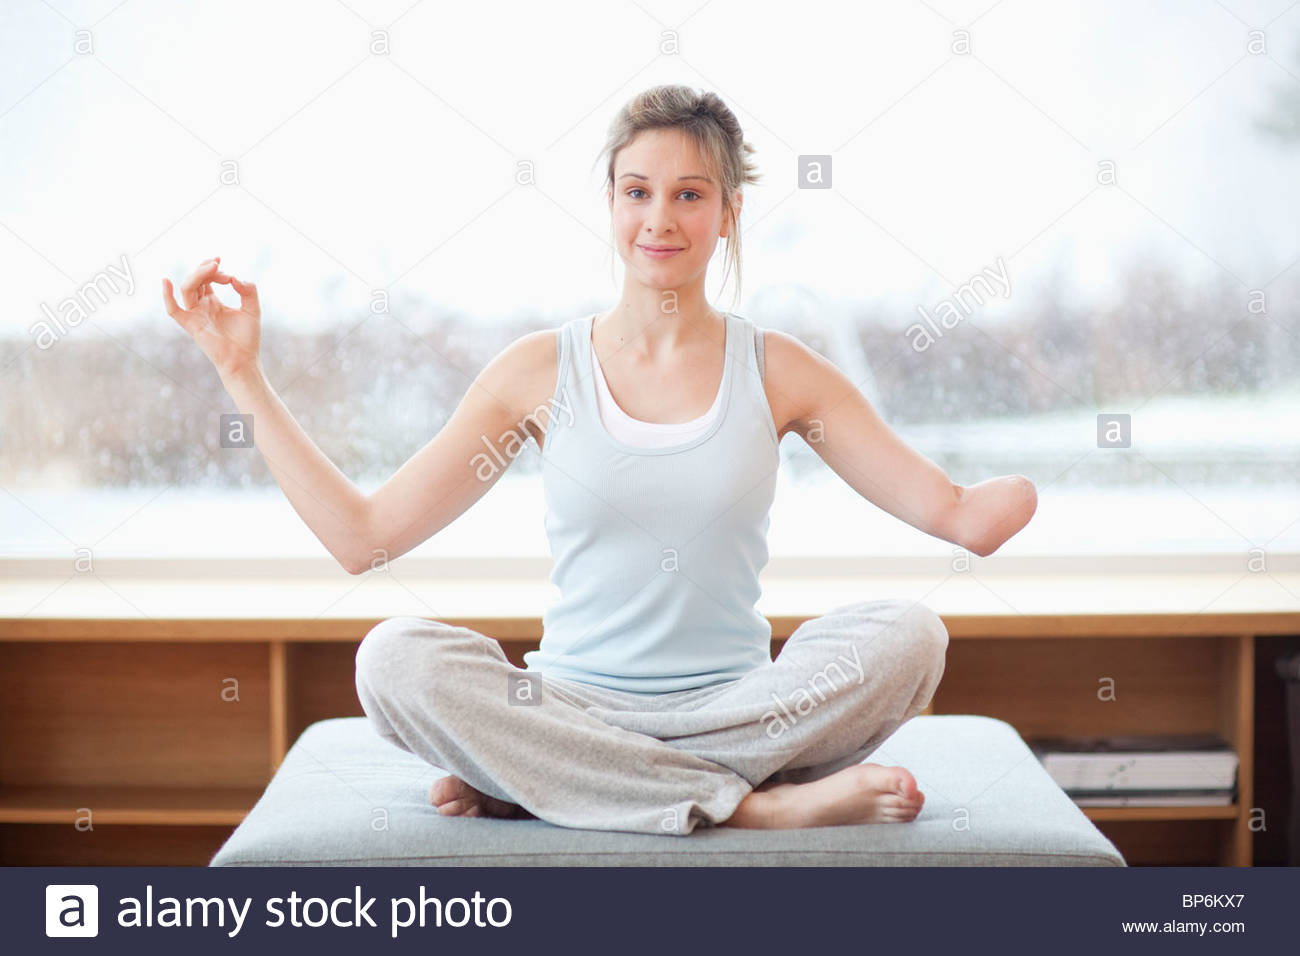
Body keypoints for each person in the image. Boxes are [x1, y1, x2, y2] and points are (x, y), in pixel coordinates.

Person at [162, 84, 1038, 837]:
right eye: (638, 191)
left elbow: (951, 511)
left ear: (729, 211)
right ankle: (744, 806)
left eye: (691, 195)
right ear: (612, 203)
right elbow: (364, 537)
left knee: (912, 639)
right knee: (393, 660)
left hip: (735, 707)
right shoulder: (539, 371)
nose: (660, 218)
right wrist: (242, 375)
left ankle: (553, 785)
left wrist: (997, 503)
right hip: (566, 708)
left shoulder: (779, 370)